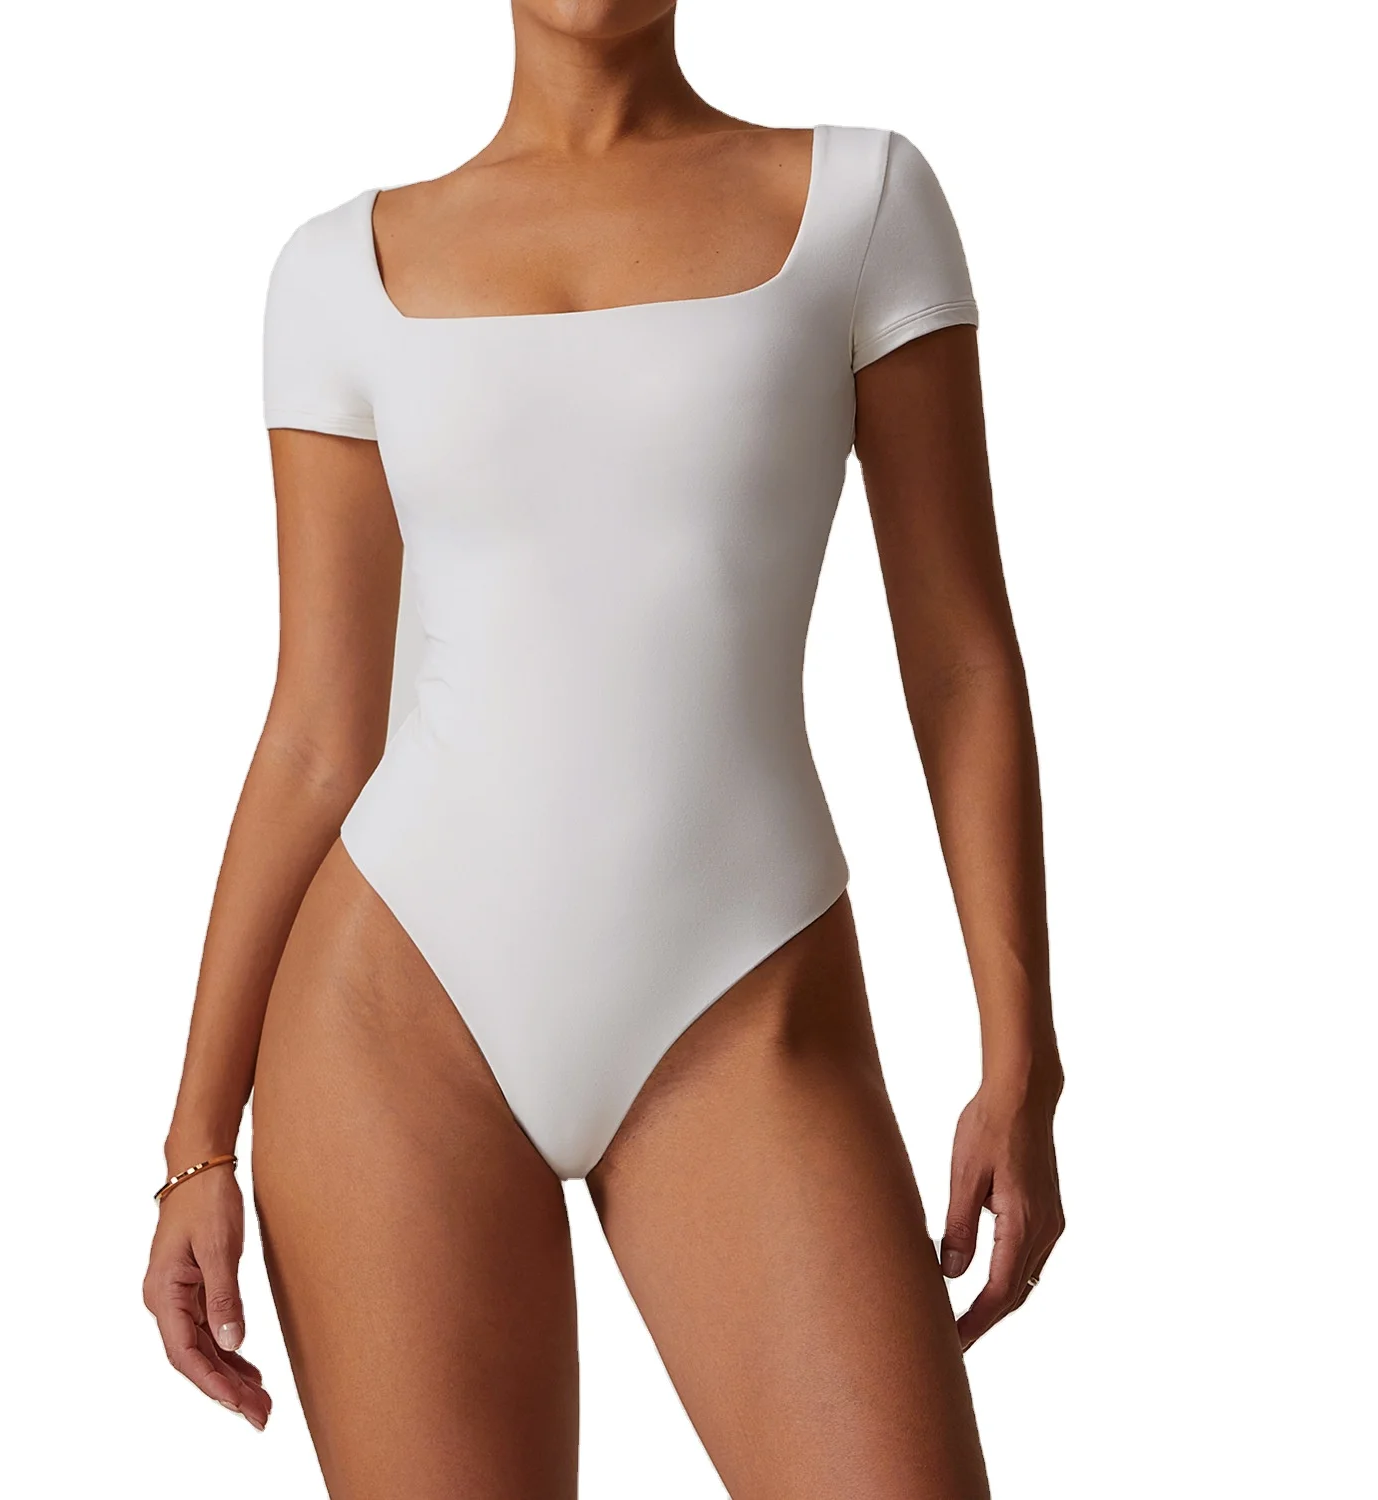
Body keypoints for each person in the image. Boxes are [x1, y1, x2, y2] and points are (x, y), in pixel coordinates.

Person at [142, 3, 1065, 1494]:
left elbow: (960, 658)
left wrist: (1021, 1056)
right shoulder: (337, 271)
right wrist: (197, 1144)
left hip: (746, 1017)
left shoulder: (861, 203)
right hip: (394, 1022)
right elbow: (317, 727)